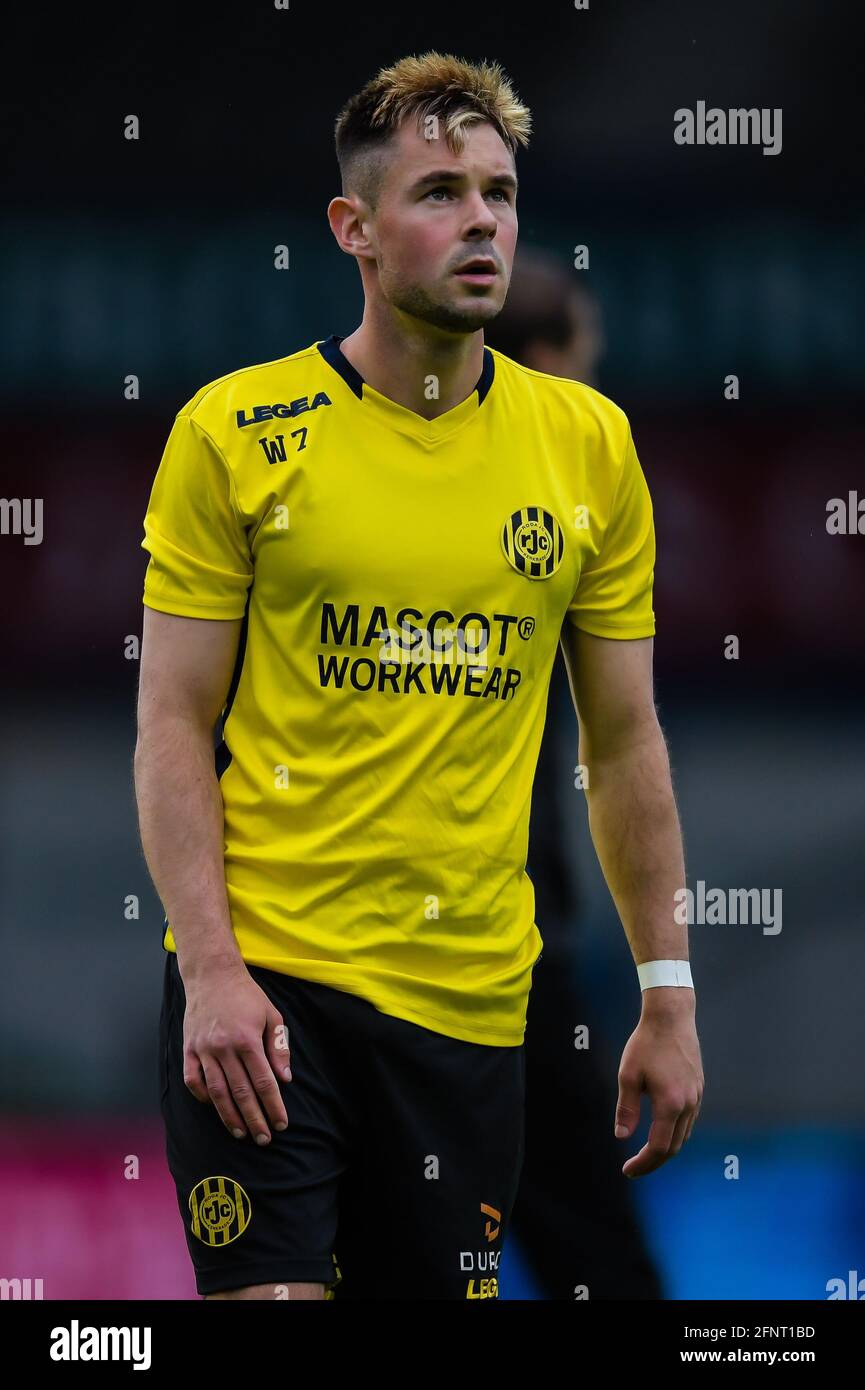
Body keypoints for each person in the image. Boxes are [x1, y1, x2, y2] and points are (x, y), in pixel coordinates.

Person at [135, 51, 703, 1302]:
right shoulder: (233, 431)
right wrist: (212, 970)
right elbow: (172, 720)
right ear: (353, 228)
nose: (483, 221)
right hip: (272, 989)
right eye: (440, 192)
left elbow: (624, 741)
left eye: (499, 193)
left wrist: (667, 990)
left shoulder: (589, 448)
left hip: (469, 1013)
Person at [486, 251, 665, 1298]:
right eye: (581, 366)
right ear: (543, 363)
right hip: (504, 951)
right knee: (594, 1254)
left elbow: (622, 733)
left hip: (482, 944)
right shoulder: (548, 503)